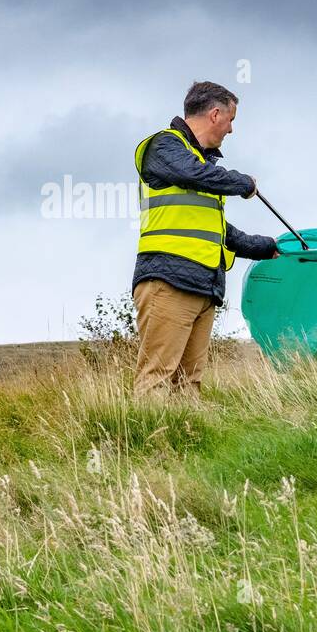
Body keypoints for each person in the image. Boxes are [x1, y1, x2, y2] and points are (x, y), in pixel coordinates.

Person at [132, 81, 279, 397]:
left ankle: (186, 446)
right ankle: (147, 447)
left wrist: (268, 247)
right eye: (231, 120)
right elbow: (193, 175)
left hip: (203, 285)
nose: (231, 130)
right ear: (215, 114)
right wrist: (240, 182)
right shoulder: (165, 147)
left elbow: (219, 231)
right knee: (157, 379)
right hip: (168, 281)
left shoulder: (202, 166)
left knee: (189, 386)